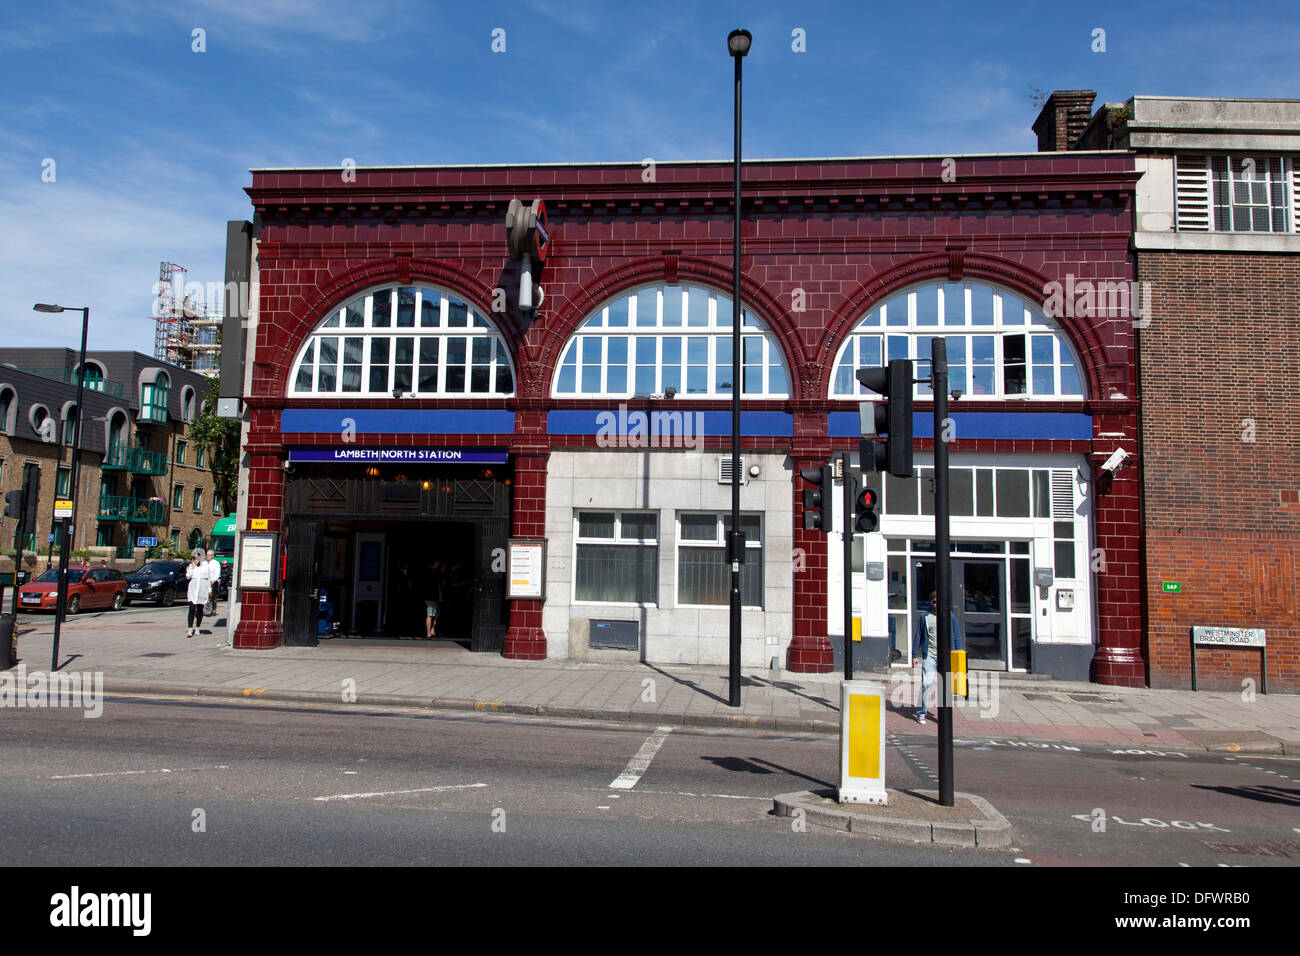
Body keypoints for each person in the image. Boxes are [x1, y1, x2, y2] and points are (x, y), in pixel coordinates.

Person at [911, 590, 965, 724]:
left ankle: (944, 715)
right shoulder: (925, 617)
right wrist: (914, 655)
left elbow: (957, 635)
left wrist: (958, 653)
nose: (937, 604)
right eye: (934, 602)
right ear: (931, 602)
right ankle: (921, 712)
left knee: (946, 687)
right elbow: (918, 636)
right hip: (930, 656)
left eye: (939, 601)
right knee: (926, 683)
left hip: (946, 656)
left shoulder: (950, 617)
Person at [185, 550, 211, 638]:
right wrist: (192, 567)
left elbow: (208, 578)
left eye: (198, 558)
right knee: (192, 608)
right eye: (195, 558)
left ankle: (197, 628)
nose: (196, 560)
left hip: (202, 589)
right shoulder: (190, 566)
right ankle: (189, 629)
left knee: (200, 609)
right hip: (193, 589)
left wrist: (209, 590)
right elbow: (188, 576)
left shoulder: (206, 566)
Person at [423, 559, 445, 639]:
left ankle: (432, 630)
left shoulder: (435, 572)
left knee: (436, 613)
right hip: (431, 597)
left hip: (436, 597)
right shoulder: (431, 572)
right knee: (430, 614)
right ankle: (428, 633)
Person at [204, 549, 221, 615]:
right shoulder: (204, 563)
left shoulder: (216, 563)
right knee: (205, 596)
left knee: (213, 597)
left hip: (213, 582)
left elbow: (217, 573)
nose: (208, 556)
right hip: (205, 581)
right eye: (207, 555)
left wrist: (213, 580)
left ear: (212, 556)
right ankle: (206, 609)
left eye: (209, 555)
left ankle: (213, 610)